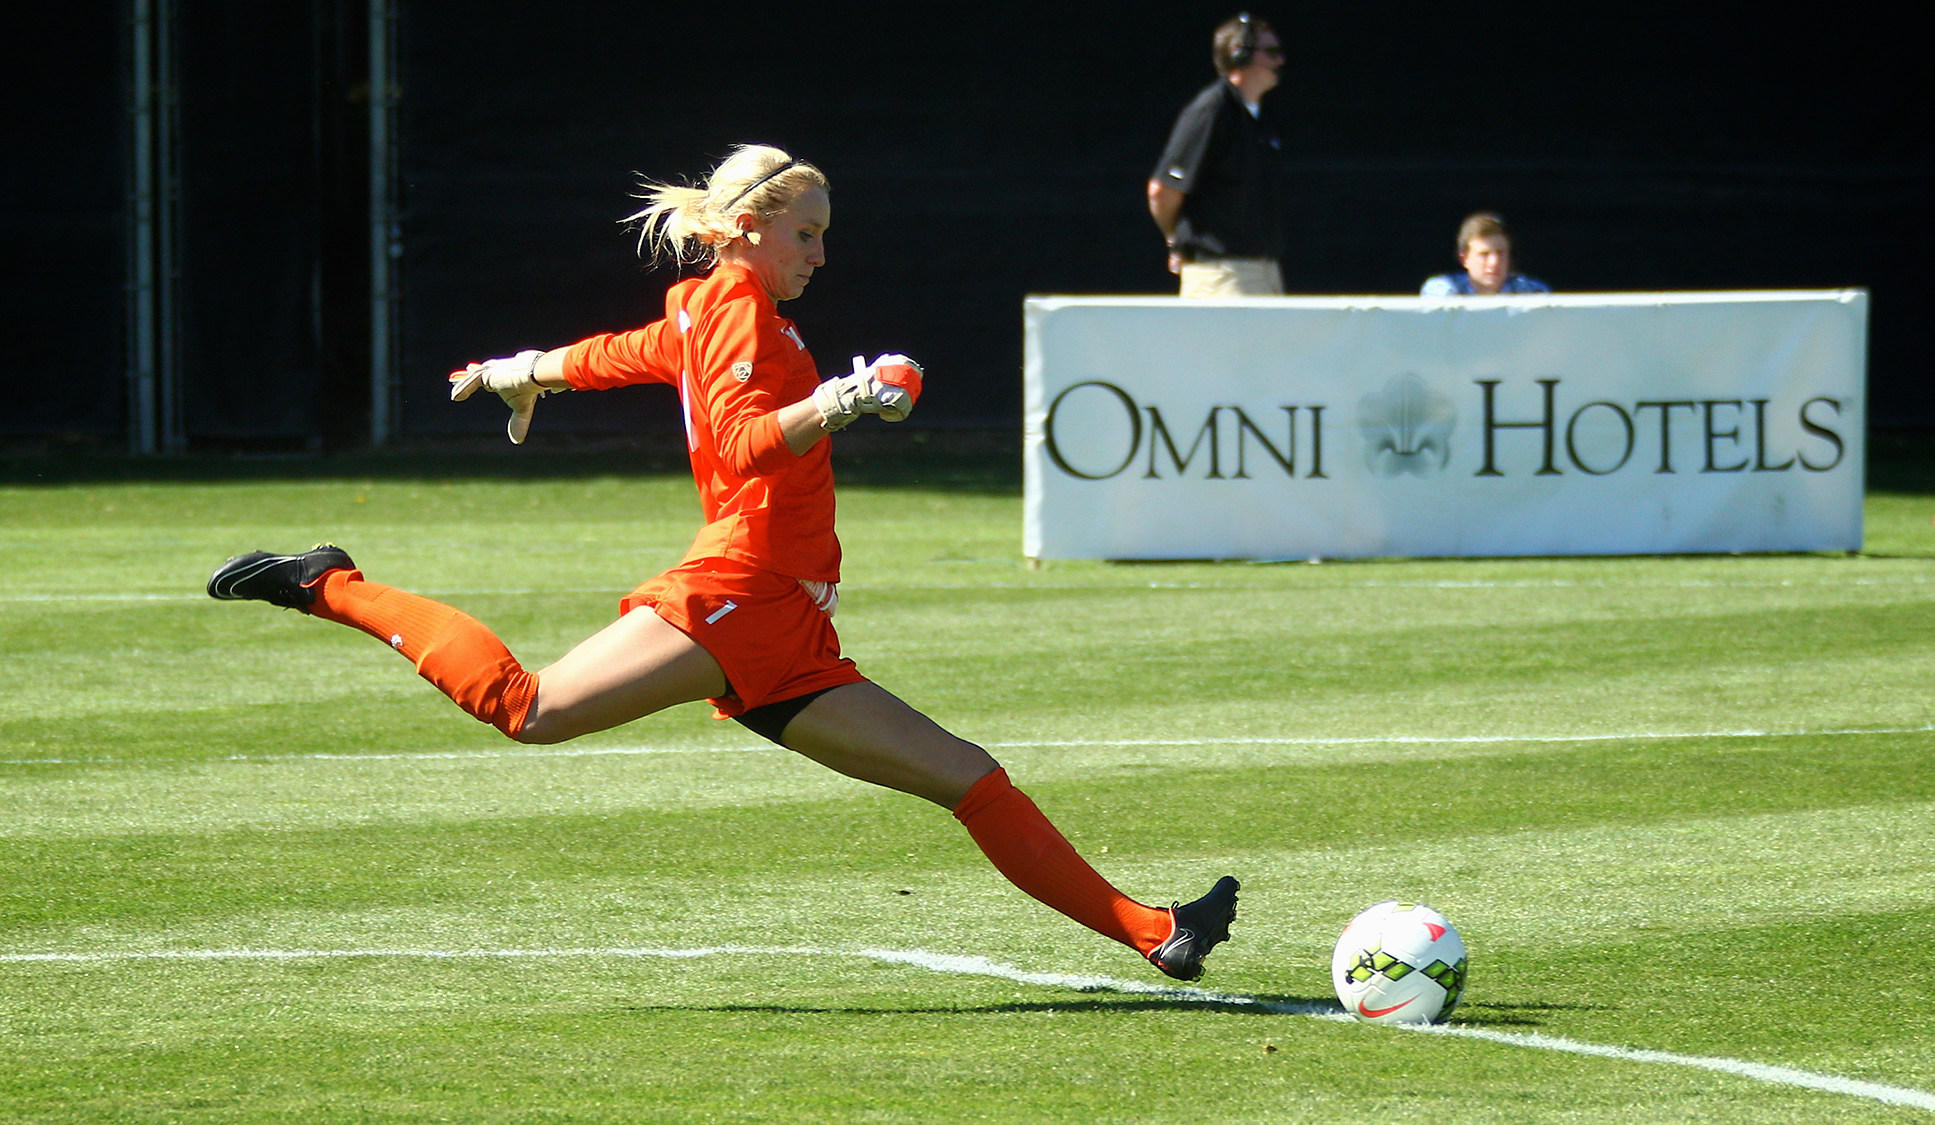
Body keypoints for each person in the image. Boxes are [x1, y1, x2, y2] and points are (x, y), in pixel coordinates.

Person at [208, 144, 1239, 982]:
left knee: (969, 778)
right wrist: (843, 398)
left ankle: (1159, 933)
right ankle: (328, 583)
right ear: (746, 226)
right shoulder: (736, 309)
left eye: (823, 234)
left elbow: (622, 353)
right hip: (739, 593)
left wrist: (527, 370)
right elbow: (745, 445)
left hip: (787, 624)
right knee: (529, 708)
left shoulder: (708, 308)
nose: (820, 254)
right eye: (806, 233)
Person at [1147, 12, 1288, 298]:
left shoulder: (1259, 118)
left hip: (1265, 272)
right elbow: (1162, 191)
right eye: (1271, 52)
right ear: (1239, 55)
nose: (1280, 61)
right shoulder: (1212, 111)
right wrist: (1175, 239)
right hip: (1224, 276)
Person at [1420, 211, 1550, 296]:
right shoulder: (1442, 292)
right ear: (1464, 259)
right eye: (1484, 254)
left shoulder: (1532, 292)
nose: (1494, 262)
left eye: (1500, 253)